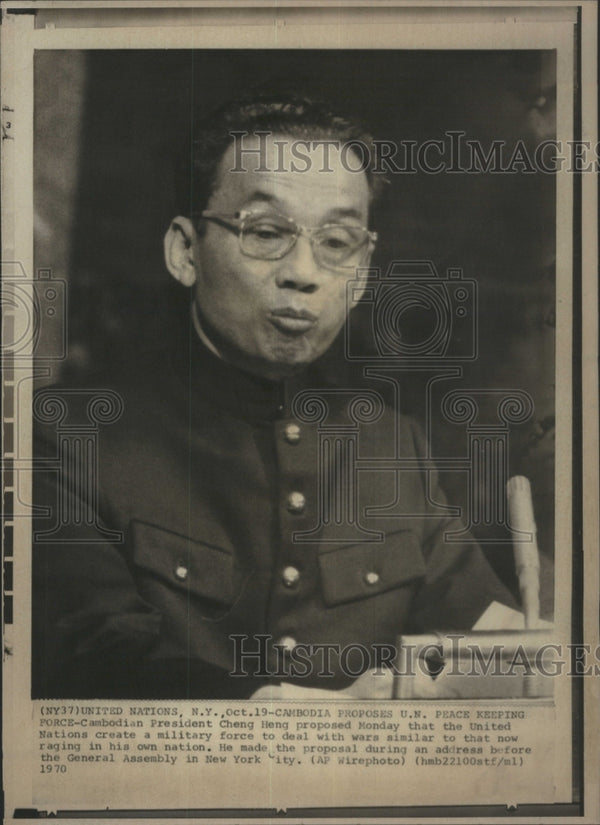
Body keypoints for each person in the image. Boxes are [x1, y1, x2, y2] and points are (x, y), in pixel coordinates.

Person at [32, 93, 516, 700]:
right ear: (186, 252)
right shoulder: (65, 437)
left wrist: (527, 654)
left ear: (363, 274)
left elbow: (488, 637)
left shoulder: (389, 444)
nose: (304, 272)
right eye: (266, 232)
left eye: (337, 242)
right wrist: (299, 716)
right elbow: (89, 657)